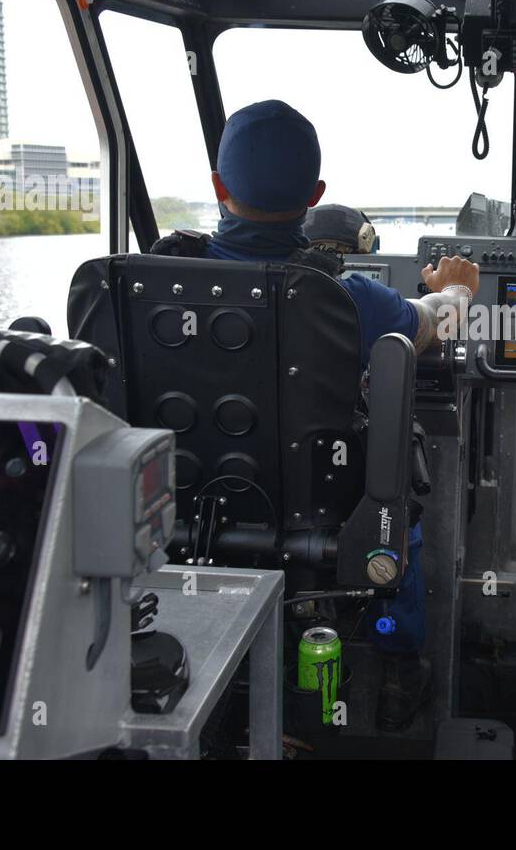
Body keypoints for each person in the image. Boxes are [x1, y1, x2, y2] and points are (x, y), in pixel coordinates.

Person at [176, 100, 478, 732]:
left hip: (184, 503)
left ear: (218, 186)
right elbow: (432, 322)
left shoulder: (155, 273)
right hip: (316, 506)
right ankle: (399, 667)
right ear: (314, 196)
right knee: (402, 519)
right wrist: (456, 290)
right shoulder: (345, 295)